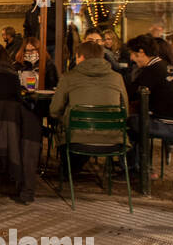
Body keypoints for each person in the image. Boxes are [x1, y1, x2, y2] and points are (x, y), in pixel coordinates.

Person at [49, 39, 129, 176]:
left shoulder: (69, 77)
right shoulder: (117, 78)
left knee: (63, 127)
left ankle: (69, 171)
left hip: (76, 139)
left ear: (80, 57)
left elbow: (54, 110)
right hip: (113, 139)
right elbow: (125, 111)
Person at [125, 34, 173, 174]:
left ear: (141, 52)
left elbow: (130, 93)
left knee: (129, 124)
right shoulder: (165, 65)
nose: (131, 58)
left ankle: (134, 170)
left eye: (132, 54)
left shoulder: (152, 70)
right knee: (137, 122)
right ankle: (142, 168)